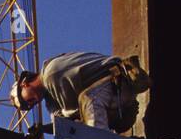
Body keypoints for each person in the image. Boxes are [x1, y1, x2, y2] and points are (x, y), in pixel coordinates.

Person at [10, 51, 148, 133]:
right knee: (80, 124)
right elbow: (63, 124)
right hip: (114, 101)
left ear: (25, 84)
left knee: (87, 100)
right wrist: (43, 129)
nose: (30, 105)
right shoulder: (51, 99)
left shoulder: (51, 74)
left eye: (25, 102)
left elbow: (73, 112)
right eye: (26, 107)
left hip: (121, 82)